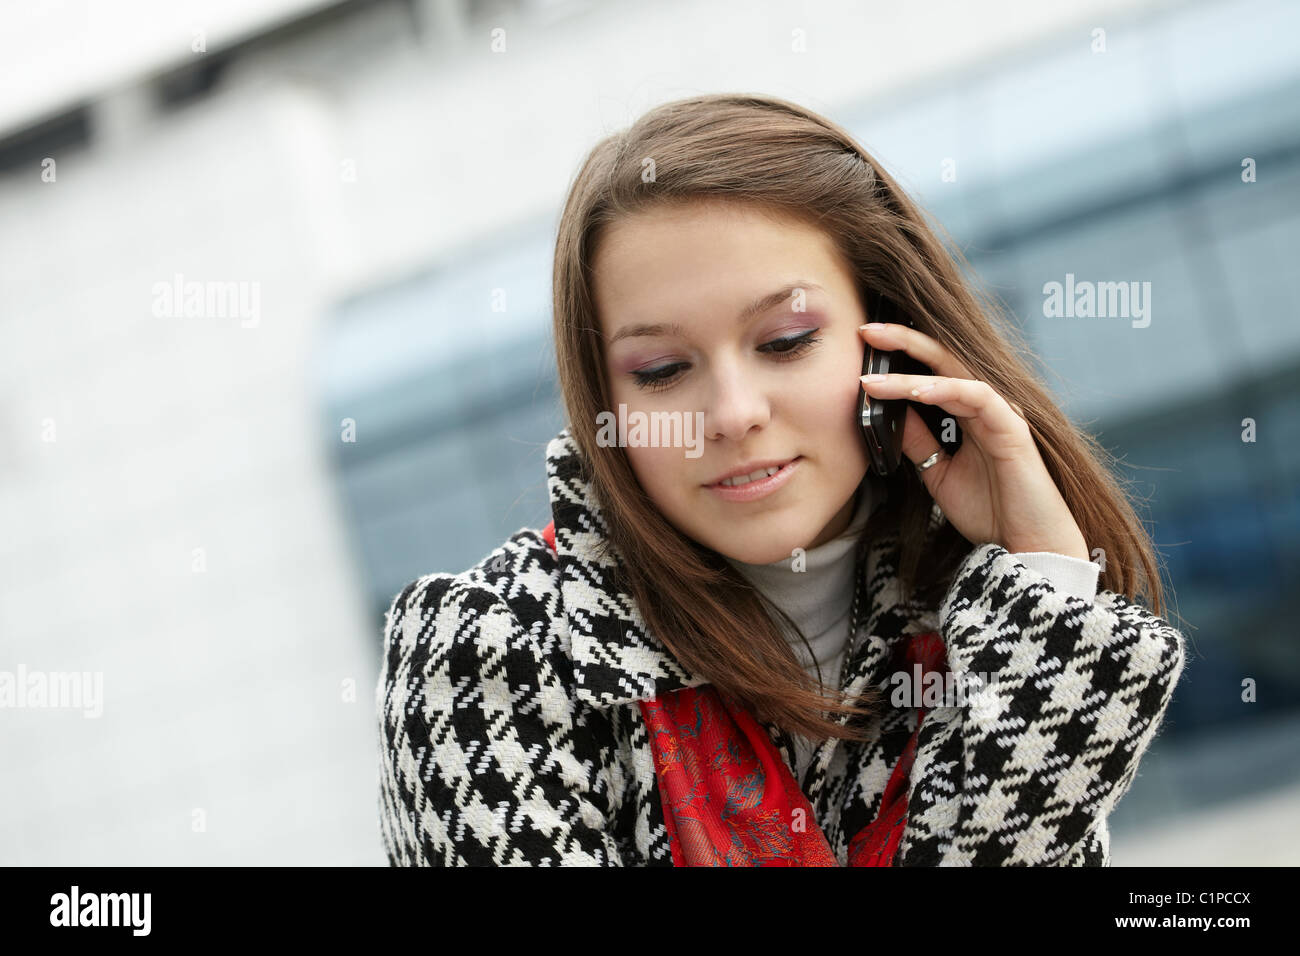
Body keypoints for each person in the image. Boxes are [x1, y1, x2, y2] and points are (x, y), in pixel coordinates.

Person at [376, 93, 1187, 866]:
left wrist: (1044, 571)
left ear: (890, 341)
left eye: (786, 341)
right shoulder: (490, 654)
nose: (732, 413)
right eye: (661, 369)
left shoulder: (979, 626)